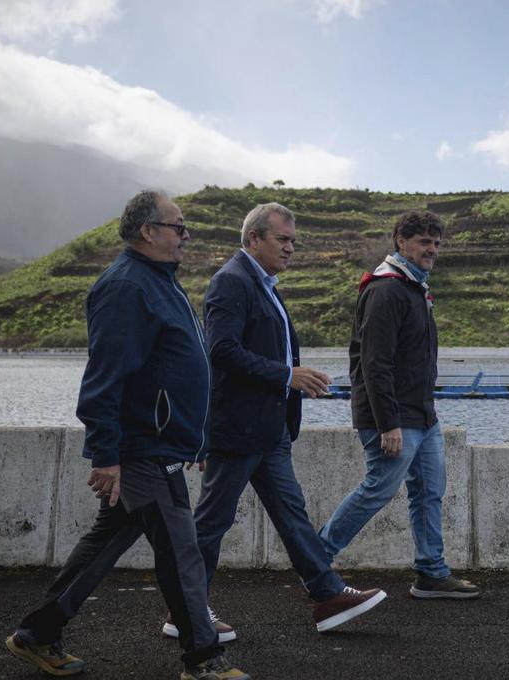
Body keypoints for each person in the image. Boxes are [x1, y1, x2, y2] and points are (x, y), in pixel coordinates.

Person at [5, 190, 249, 680]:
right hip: (142, 449)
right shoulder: (126, 287)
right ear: (148, 231)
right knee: (182, 553)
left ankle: (38, 633)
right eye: (179, 227)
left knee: (107, 541)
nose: (187, 236)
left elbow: (177, 368)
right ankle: (203, 660)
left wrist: (194, 438)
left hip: (159, 444)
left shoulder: (159, 281)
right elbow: (105, 376)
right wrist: (105, 454)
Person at [175, 202, 384, 639]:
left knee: (291, 514)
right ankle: (185, 611)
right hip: (238, 429)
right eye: (282, 240)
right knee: (212, 523)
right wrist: (288, 376)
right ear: (254, 239)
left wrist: (289, 381)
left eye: (293, 241)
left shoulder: (264, 284)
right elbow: (222, 351)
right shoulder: (231, 282)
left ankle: (327, 596)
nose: (291, 249)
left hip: (268, 431)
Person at [319, 210, 480, 599]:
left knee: (428, 491)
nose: (432, 250)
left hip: (423, 415)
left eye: (437, 243)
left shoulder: (413, 288)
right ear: (401, 242)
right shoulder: (386, 289)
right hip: (393, 418)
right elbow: (374, 364)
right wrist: (387, 422)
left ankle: (431, 572)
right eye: (425, 242)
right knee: (377, 489)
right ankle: (315, 557)